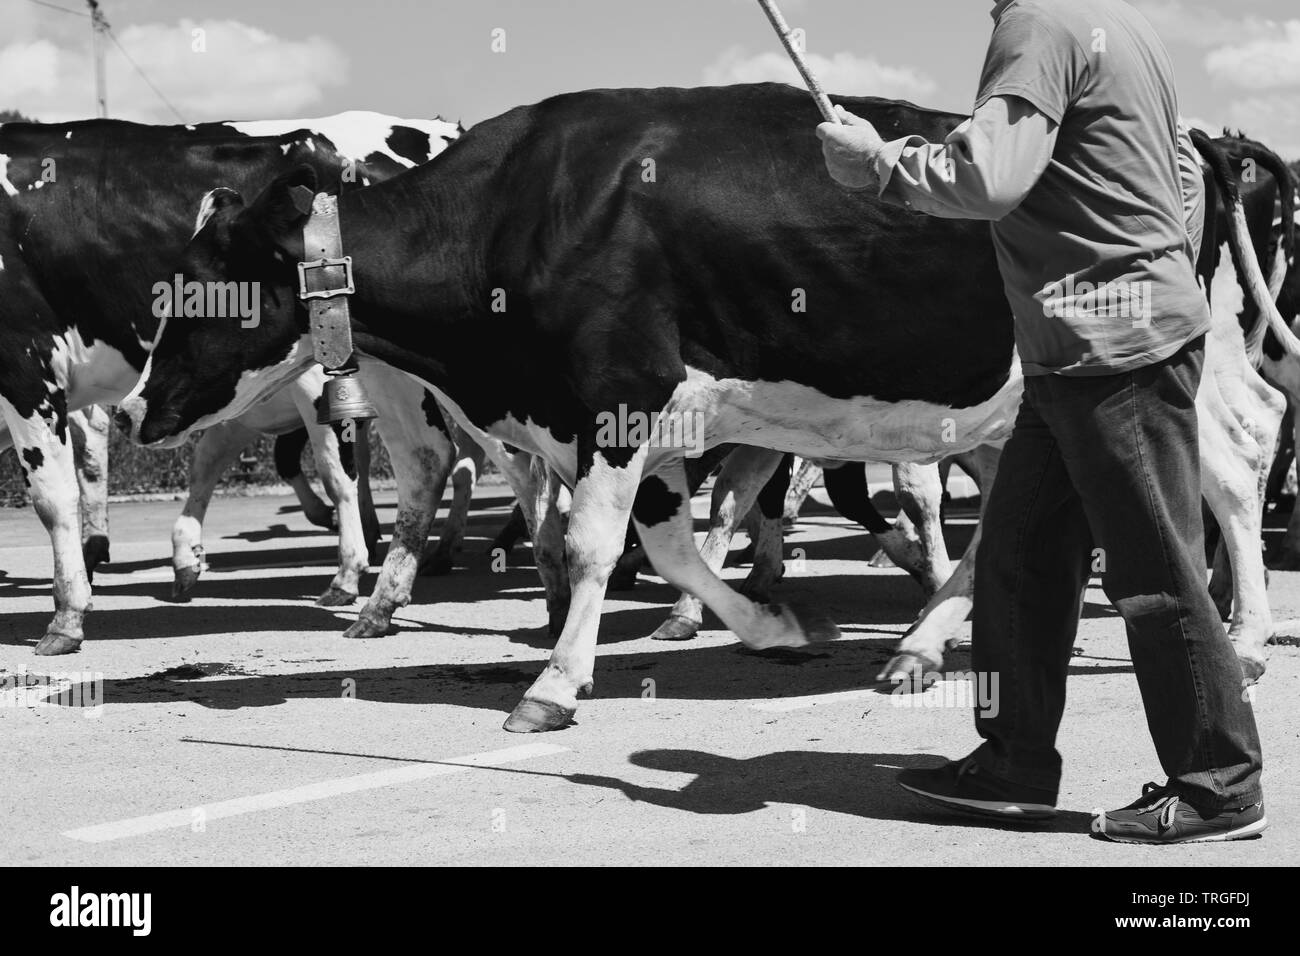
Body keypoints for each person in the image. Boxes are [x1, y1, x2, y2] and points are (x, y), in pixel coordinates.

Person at [816, 0, 1266, 843]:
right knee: (1017, 561)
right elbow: (1176, 175)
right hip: (1091, 347)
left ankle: (1220, 786)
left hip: (1108, 350)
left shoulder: (1037, 27)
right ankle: (1014, 763)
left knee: (1156, 575)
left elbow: (990, 180)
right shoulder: (1120, 20)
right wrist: (1154, 277)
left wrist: (880, 165)